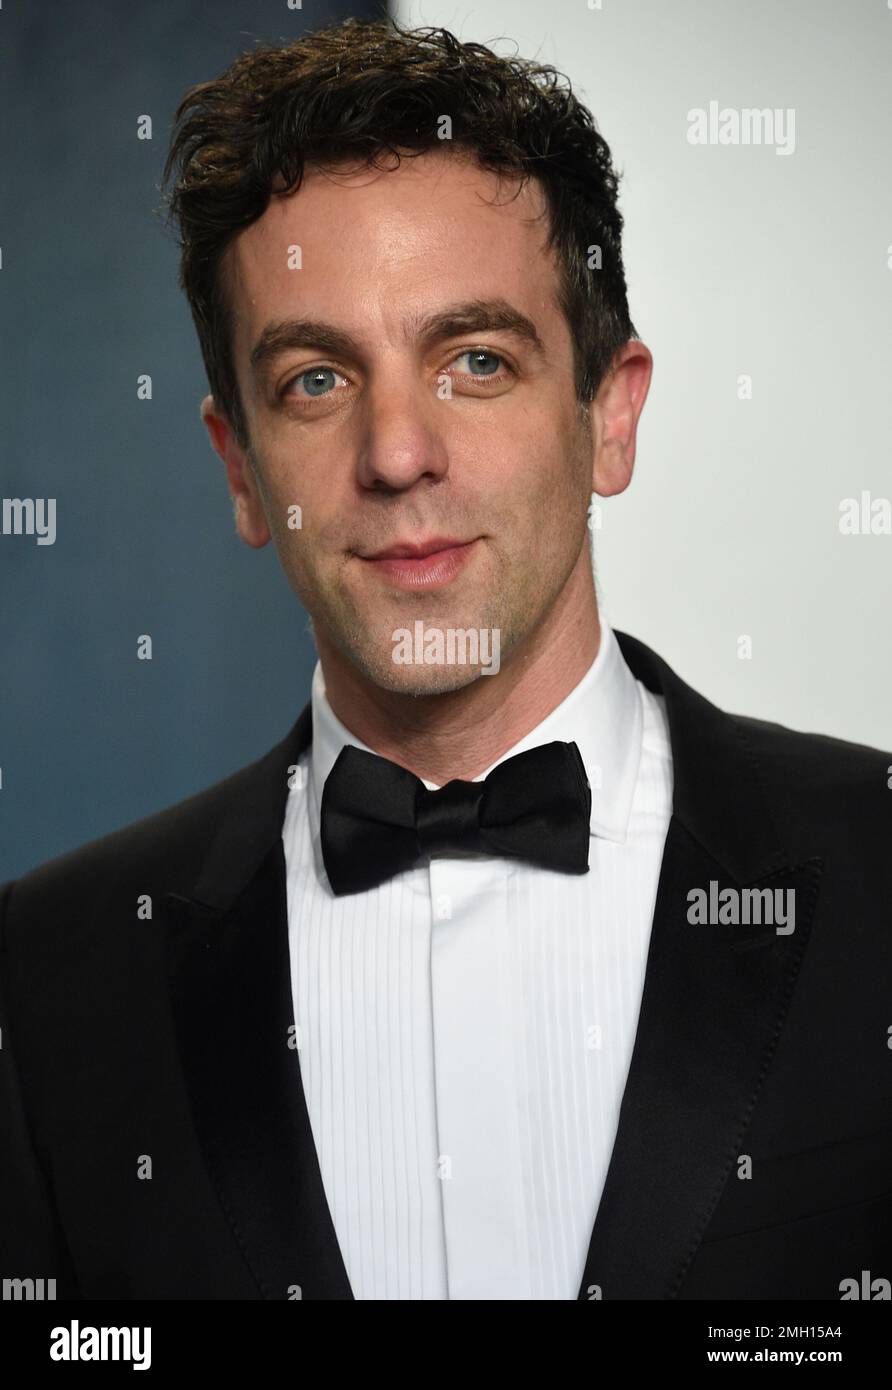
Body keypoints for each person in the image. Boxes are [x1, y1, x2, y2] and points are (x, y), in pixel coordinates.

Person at [1, 16, 890, 1302]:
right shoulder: (49, 975)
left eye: (475, 360)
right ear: (239, 468)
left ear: (609, 413)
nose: (398, 451)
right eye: (315, 379)